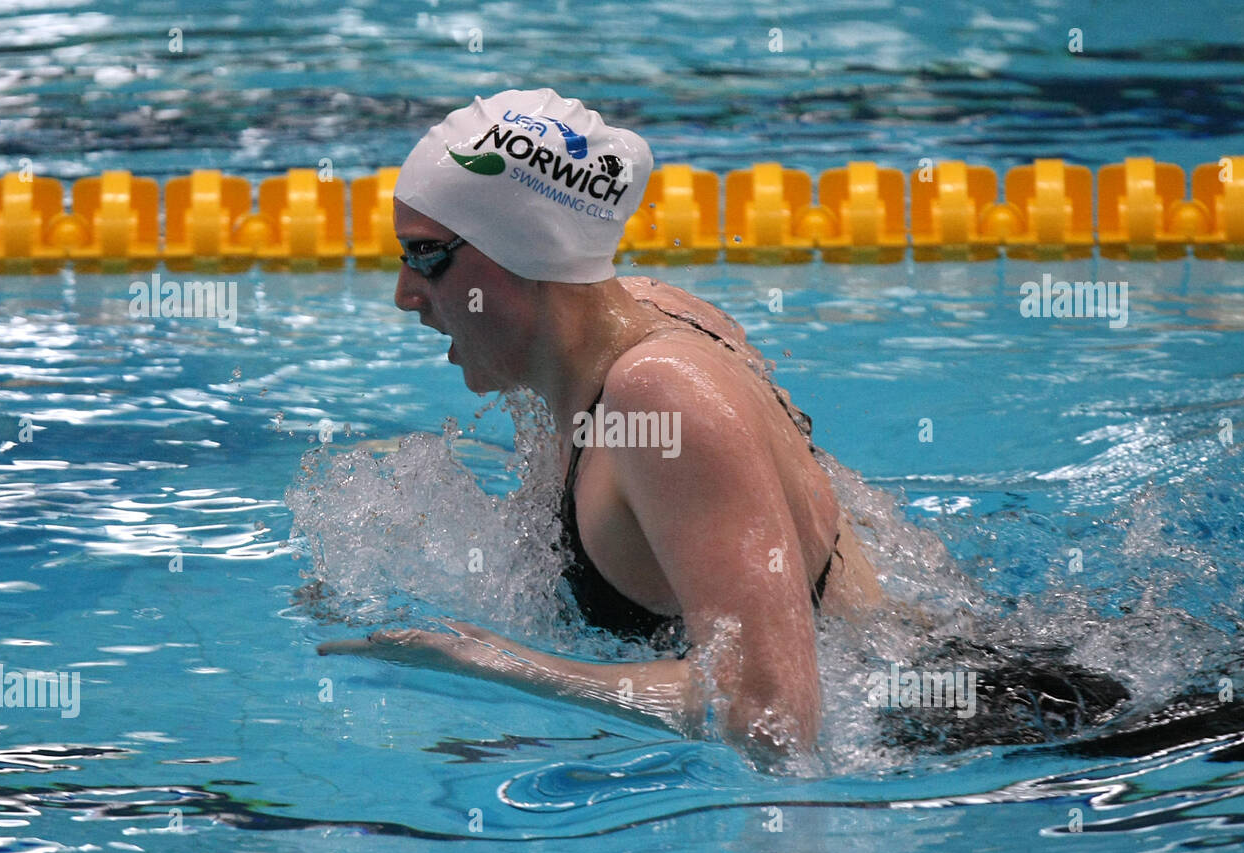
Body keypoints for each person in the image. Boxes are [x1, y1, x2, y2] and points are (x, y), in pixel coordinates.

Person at [318, 88, 883, 763]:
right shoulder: (610, 329)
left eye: (427, 256)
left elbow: (774, 717)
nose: (406, 294)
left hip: (950, 740)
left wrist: (496, 664)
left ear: (527, 250)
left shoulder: (659, 395)